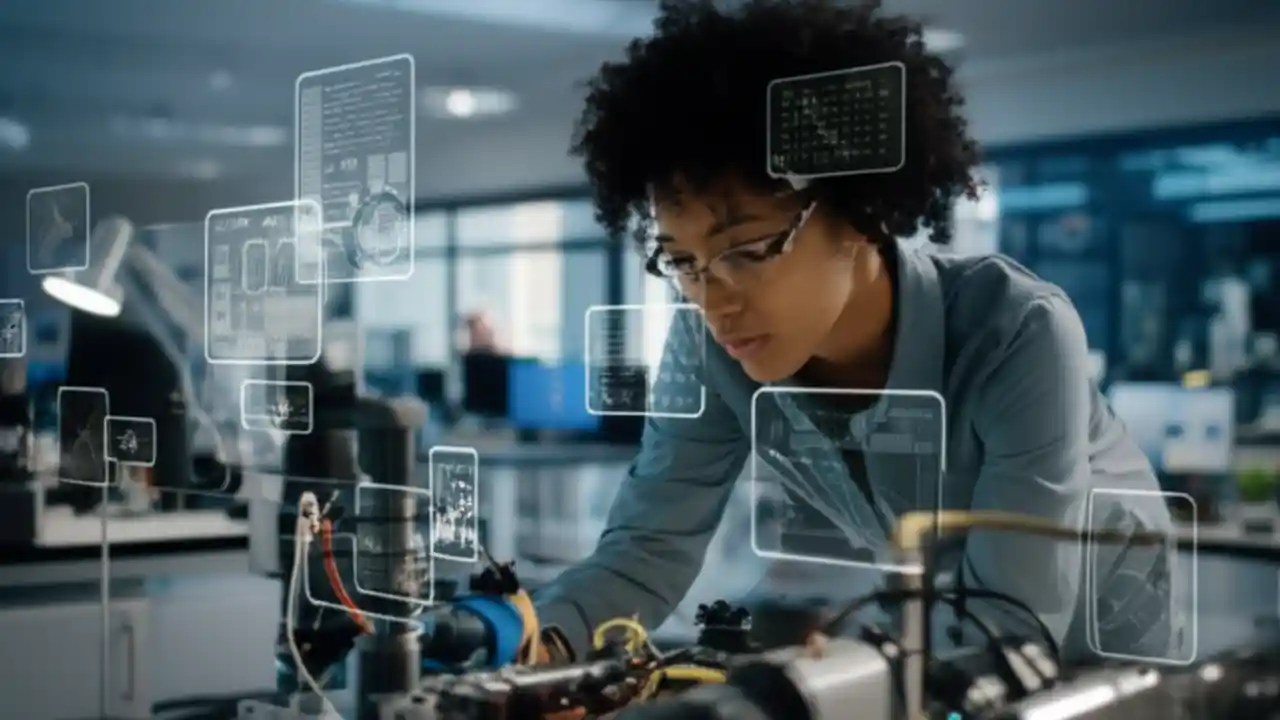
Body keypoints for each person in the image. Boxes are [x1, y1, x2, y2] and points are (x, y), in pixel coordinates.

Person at [533, 0, 1180, 664]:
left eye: (747, 250)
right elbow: (647, 548)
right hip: (944, 647)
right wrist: (527, 647)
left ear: (860, 209)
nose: (711, 299)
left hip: (1112, 660)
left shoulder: (1016, 330)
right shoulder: (709, 343)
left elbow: (1009, 623)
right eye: (680, 261)